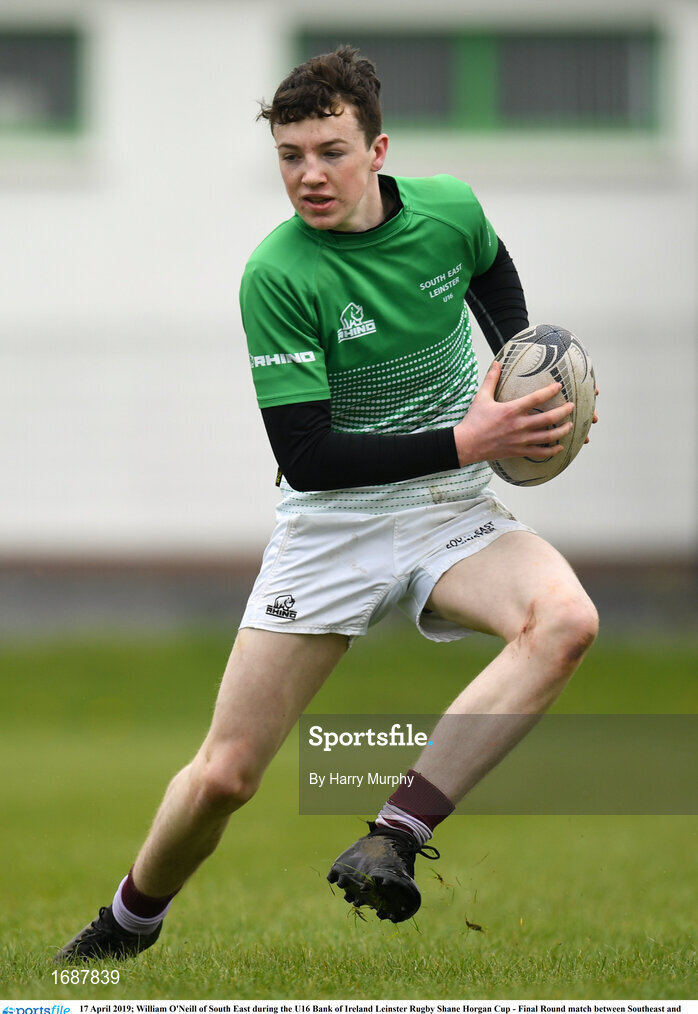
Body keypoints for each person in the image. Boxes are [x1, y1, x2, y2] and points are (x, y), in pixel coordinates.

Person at [55, 45, 598, 961]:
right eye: (290, 155)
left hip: (450, 508)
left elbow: (491, 270)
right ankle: (126, 924)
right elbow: (308, 459)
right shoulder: (279, 275)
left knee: (566, 621)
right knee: (227, 775)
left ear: (377, 148)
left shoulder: (450, 210)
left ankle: (397, 834)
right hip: (332, 527)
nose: (309, 175)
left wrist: (517, 372)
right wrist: (474, 436)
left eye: (330, 151)